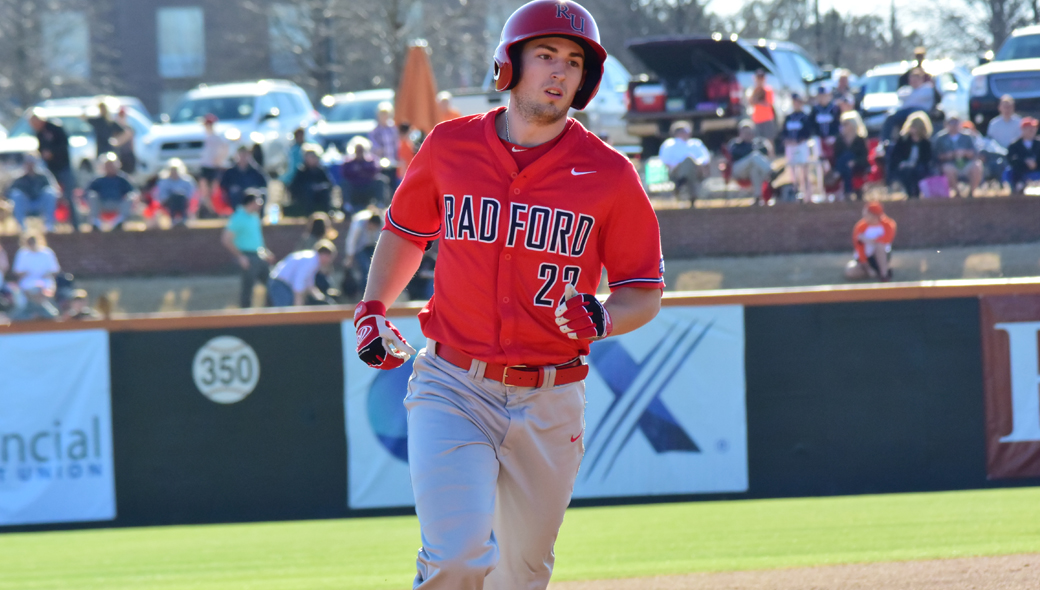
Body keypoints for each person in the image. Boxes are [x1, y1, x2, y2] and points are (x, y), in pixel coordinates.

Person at [353, 2, 664, 587]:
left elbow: (642, 293)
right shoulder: (449, 145)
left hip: (551, 397)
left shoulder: (611, 175)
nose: (559, 70)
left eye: (574, 61)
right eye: (545, 54)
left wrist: (602, 318)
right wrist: (371, 307)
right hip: (453, 384)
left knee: (522, 573)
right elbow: (405, 231)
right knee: (455, 558)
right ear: (509, 64)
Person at [222, 190, 275, 308]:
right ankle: (245, 314)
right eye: (257, 202)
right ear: (251, 202)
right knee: (248, 289)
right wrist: (240, 257)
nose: (260, 205)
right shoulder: (238, 217)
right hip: (247, 256)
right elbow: (226, 239)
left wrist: (265, 251)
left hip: (259, 255)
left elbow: (256, 239)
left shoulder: (255, 216)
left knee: (272, 284)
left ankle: (272, 312)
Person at [30, 109, 80, 231]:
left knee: (69, 195)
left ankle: (76, 225)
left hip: (63, 167)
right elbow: (41, 149)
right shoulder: (39, 133)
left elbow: (64, 146)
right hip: (50, 169)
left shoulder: (55, 128)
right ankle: (51, 225)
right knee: (50, 194)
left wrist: (52, 153)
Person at [267, 240, 337, 307]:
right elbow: (298, 283)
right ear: (324, 255)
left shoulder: (313, 260)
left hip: (283, 283)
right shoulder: (310, 260)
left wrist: (322, 298)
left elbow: (309, 284)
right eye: (330, 257)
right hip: (279, 283)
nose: (330, 261)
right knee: (285, 309)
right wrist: (299, 307)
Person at [10, 232, 60, 321]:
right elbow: (17, 271)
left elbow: (54, 270)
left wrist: (44, 277)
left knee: (44, 289)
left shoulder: (47, 253)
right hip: (28, 282)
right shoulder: (22, 253)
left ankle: (49, 313)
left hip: (45, 281)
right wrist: (26, 274)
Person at [658, 120, 711, 202]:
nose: (687, 133)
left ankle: (680, 184)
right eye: (684, 131)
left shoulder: (696, 143)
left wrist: (698, 163)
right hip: (676, 171)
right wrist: (679, 165)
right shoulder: (669, 144)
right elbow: (665, 160)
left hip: (697, 169)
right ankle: (692, 194)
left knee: (689, 161)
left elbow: (705, 157)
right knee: (688, 161)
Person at [880, 67, 936, 144]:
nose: (914, 81)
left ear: (921, 79)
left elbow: (916, 97)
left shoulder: (927, 88)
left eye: (916, 79)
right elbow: (900, 96)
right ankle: (885, 141)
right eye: (912, 79)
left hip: (921, 111)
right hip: (905, 111)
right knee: (890, 117)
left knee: (914, 114)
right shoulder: (904, 89)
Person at [845, 202, 896, 282]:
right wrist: (867, 267)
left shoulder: (888, 225)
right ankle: (874, 272)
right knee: (850, 271)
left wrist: (867, 240)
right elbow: (859, 248)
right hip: (866, 259)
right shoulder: (860, 227)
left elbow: (885, 240)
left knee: (879, 246)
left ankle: (884, 274)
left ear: (874, 215)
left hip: (881, 256)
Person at [933, 116, 982, 198]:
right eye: (951, 123)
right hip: (951, 164)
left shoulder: (967, 136)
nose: (954, 125)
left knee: (977, 165)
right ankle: (957, 194)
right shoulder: (940, 138)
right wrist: (950, 155)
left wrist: (965, 153)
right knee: (947, 168)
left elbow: (975, 153)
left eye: (956, 123)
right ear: (946, 124)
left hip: (966, 163)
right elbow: (936, 156)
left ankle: (971, 193)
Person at [86, 153, 137, 230]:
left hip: (118, 204)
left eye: (111, 164)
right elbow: (87, 191)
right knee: (92, 195)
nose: (110, 167)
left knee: (130, 197)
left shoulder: (122, 180)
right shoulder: (98, 180)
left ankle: (119, 222)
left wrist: (132, 197)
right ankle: (96, 223)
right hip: (102, 204)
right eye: (107, 165)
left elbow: (133, 191)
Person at [7, 155, 59, 231]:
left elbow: (55, 189)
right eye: (28, 163)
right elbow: (9, 193)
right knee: (16, 194)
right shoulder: (18, 177)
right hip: (25, 204)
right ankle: (21, 227)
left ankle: (49, 225)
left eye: (32, 162)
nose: (30, 165)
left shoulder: (44, 175)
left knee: (50, 192)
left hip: (40, 203)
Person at [889, 111, 933, 198]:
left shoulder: (925, 143)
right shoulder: (903, 140)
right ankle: (910, 194)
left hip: (919, 167)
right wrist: (902, 163)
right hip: (904, 166)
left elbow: (927, 158)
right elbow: (895, 156)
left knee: (918, 171)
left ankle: (916, 194)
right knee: (907, 172)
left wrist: (916, 164)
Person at [726, 119, 773, 203]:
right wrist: (751, 148)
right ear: (740, 133)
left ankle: (757, 197)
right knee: (754, 156)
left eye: (749, 132)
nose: (748, 134)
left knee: (754, 169)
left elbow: (766, 152)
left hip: (750, 171)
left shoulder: (758, 143)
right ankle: (771, 172)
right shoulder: (735, 144)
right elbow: (735, 154)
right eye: (745, 132)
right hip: (738, 170)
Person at [341, 136, 390, 213]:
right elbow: (345, 173)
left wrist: (361, 170)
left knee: (381, 180)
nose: (359, 152)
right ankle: (347, 206)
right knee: (344, 184)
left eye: (361, 150)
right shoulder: (349, 163)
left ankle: (380, 204)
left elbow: (375, 170)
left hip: (368, 187)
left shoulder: (371, 161)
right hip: (355, 188)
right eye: (358, 150)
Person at [781, 93, 814, 201]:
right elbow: (783, 132)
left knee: (804, 170)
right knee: (792, 171)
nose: (796, 104)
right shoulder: (788, 117)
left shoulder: (805, 117)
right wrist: (787, 141)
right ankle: (795, 193)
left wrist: (798, 141)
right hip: (790, 147)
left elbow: (808, 132)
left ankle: (808, 195)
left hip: (801, 146)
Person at [831, 111, 870, 200]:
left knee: (848, 157)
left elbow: (864, 157)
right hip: (844, 165)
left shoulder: (860, 140)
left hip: (858, 165)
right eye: (842, 124)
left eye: (846, 124)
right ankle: (849, 191)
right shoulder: (839, 140)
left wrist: (854, 162)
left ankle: (846, 190)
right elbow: (836, 156)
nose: (843, 126)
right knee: (846, 160)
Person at [287, 147, 334, 216]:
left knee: (325, 191)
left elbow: (329, 183)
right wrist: (310, 187)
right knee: (308, 190)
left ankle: (327, 212)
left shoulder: (320, 170)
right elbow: (294, 186)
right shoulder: (302, 171)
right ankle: (309, 214)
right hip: (305, 196)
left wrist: (321, 186)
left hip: (319, 195)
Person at [198, 113, 230, 216]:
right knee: (204, 190)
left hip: (213, 167)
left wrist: (219, 159)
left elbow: (225, 148)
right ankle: (208, 210)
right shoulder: (206, 137)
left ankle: (214, 210)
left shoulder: (216, 138)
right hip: (205, 166)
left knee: (213, 191)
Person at [343, 209, 382, 288]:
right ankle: (364, 290)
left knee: (377, 268)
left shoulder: (382, 223)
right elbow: (351, 240)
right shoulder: (359, 223)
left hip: (373, 246)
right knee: (365, 268)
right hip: (360, 247)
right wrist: (349, 257)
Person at [220, 145, 268, 209]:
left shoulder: (256, 172)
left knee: (262, 194)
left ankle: (258, 215)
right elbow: (223, 187)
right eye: (241, 155)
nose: (243, 157)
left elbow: (263, 185)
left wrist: (253, 191)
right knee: (235, 192)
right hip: (236, 199)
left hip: (252, 197)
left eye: (245, 155)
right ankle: (238, 213)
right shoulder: (230, 172)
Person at [155, 158, 197, 226]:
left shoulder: (188, 181)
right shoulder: (163, 182)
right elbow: (162, 197)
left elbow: (192, 195)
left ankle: (183, 219)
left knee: (180, 197)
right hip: (169, 204)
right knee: (175, 197)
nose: (174, 171)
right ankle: (173, 219)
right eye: (172, 169)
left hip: (184, 202)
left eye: (175, 169)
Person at [368, 101, 400, 187]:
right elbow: (374, 146)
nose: (384, 117)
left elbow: (396, 143)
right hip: (380, 163)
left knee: (393, 184)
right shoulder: (374, 131)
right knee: (383, 184)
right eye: (382, 115)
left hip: (392, 161)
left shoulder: (393, 129)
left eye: (386, 114)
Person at [1006, 117, 1040, 192]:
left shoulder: (1038, 143)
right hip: (1021, 170)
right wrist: (1025, 161)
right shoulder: (1014, 145)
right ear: (1023, 129)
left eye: (1033, 128)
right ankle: (1019, 188)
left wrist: (1036, 162)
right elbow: (1011, 158)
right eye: (1029, 128)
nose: (1032, 130)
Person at [749, 69, 777, 148]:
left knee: (769, 140)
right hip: (757, 119)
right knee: (758, 141)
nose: (760, 80)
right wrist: (756, 95)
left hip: (767, 118)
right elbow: (751, 102)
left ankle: (771, 154)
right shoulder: (753, 90)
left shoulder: (768, 90)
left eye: (761, 78)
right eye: (758, 78)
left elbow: (768, 103)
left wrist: (758, 101)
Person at [113, 107, 137, 175]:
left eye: (122, 115)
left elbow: (118, 142)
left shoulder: (128, 128)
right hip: (118, 156)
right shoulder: (115, 128)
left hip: (127, 156)